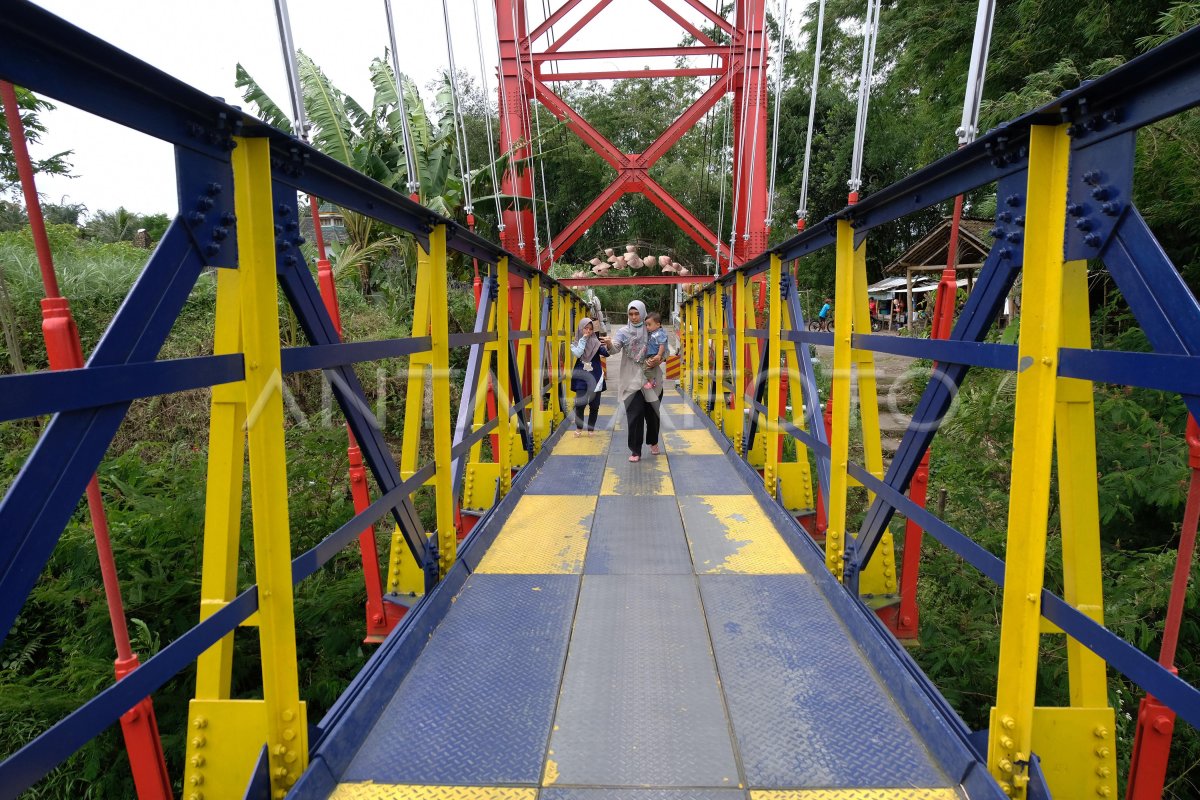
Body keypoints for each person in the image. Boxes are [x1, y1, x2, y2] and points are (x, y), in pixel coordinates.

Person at [601, 300, 664, 462]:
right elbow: (615, 347)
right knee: (634, 415)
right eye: (631, 314)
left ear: (643, 313)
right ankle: (635, 450)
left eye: (637, 314)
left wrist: (659, 358)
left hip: (651, 377)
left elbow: (665, 349)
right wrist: (609, 343)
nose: (634, 317)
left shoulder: (651, 328)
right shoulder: (623, 331)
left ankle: (653, 441)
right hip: (631, 379)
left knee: (652, 414)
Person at [569, 317, 609, 436]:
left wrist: (609, 344)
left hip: (595, 377)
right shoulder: (574, 344)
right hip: (581, 378)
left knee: (594, 405)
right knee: (580, 404)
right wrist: (583, 340)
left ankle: (591, 429)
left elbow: (606, 353)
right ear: (580, 329)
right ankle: (579, 428)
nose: (588, 331)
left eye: (590, 329)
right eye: (585, 328)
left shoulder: (595, 343)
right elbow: (578, 353)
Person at [641, 311, 669, 391]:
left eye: (649, 325)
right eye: (646, 325)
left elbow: (662, 344)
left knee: (646, 367)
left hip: (655, 354)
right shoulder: (653, 332)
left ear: (658, 324)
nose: (647, 327)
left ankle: (652, 381)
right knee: (647, 367)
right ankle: (651, 380)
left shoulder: (659, 333)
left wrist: (659, 355)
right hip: (652, 353)